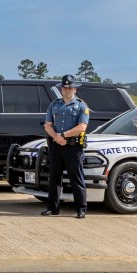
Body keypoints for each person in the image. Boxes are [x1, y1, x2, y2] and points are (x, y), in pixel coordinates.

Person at [42, 74, 90, 219]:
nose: (67, 90)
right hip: (56, 146)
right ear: (61, 89)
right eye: (64, 87)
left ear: (75, 89)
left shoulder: (82, 105)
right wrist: (56, 137)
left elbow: (82, 127)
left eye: (70, 87)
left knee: (76, 178)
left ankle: (81, 209)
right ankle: (53, 208)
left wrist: (62, 135)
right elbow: (48, 125)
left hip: (73, 147)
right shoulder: (54, 104)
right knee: (54, 178)